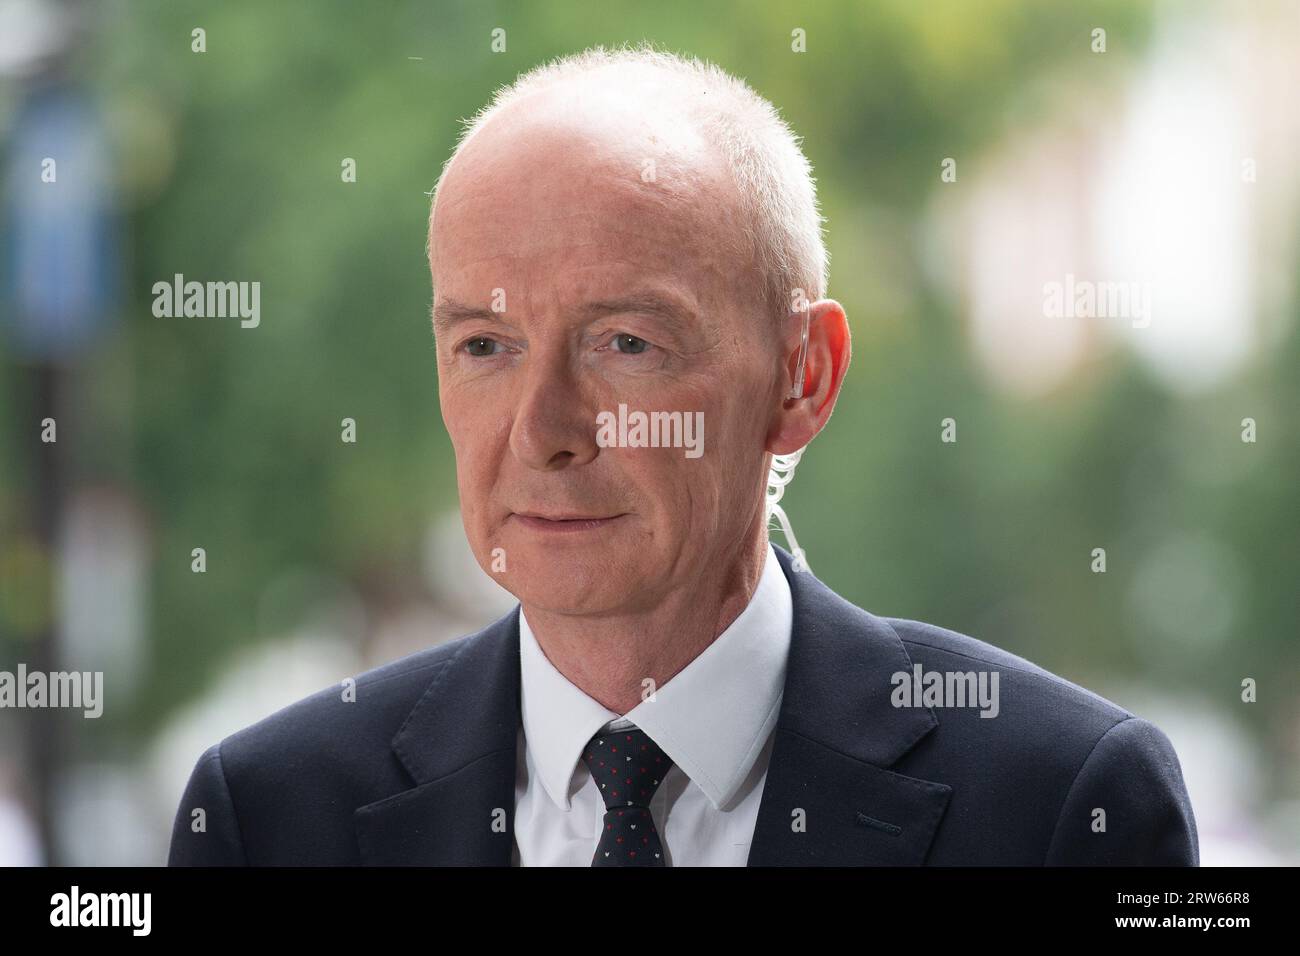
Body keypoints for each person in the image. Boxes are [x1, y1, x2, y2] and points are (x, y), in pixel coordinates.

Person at [168, 44, 1198, 866]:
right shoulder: (269, 815)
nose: (542, 430)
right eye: (484, 344)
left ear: (802, 376)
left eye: (627, 343)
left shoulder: (1061, 806)